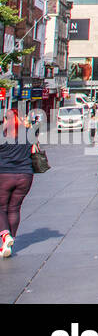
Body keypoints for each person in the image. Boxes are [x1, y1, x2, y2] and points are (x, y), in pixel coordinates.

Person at [0, 110, 34, 258]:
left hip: (5, 175)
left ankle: (6, 235)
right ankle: (8, 243)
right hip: (26, 175)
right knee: (15, 208)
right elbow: (34, 150)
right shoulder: (28, 133)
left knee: (1, 207)